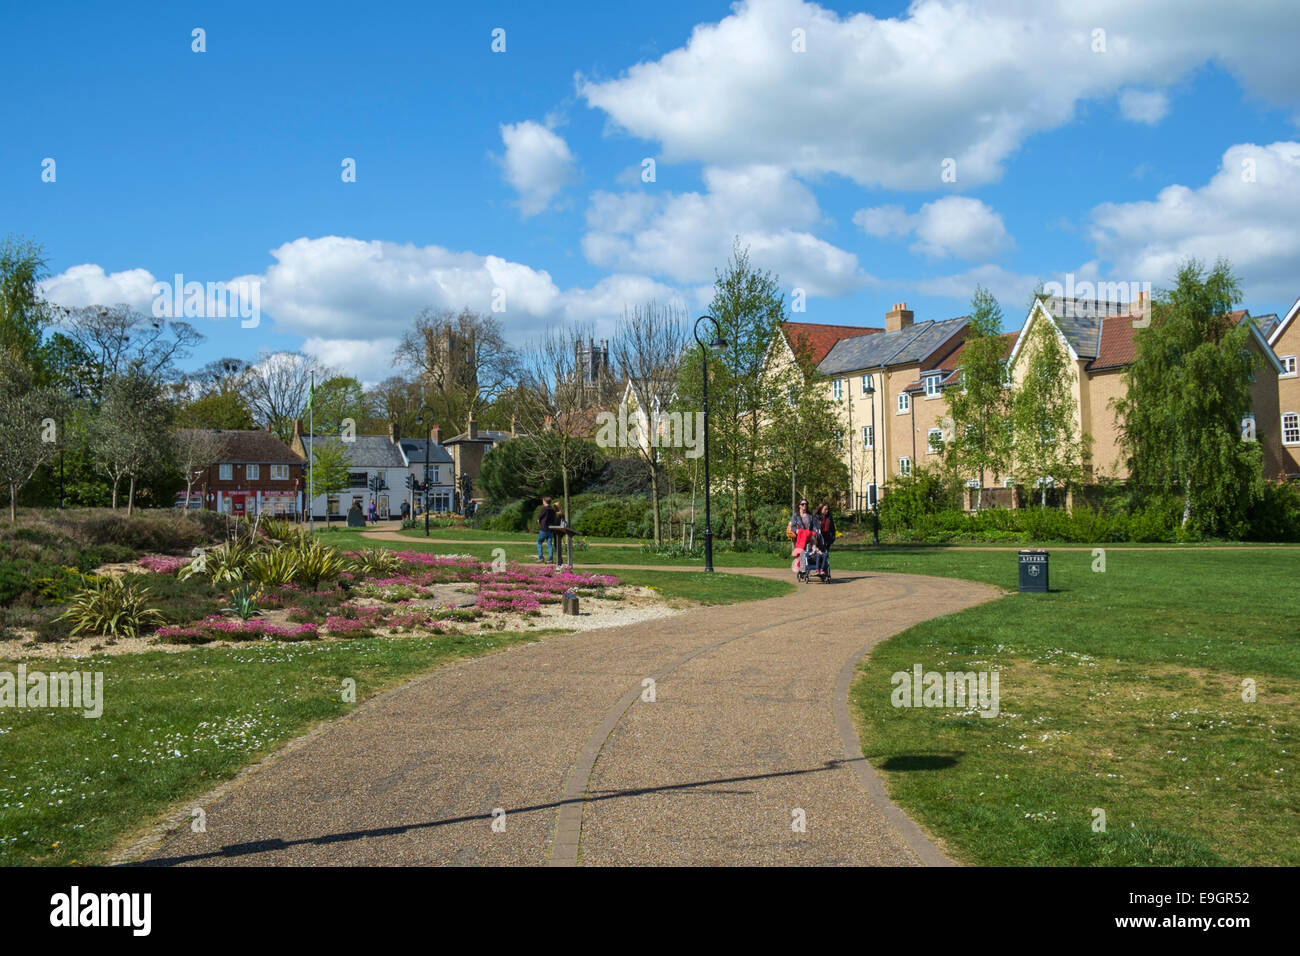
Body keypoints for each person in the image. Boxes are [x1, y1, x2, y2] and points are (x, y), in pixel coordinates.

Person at [786, 498, 827, 578]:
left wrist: (815, 531)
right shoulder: (795, 515)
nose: (805, 505)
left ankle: (818, 568)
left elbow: (814, 526)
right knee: (801, 553)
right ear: (799, 506)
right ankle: (802, 571)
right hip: (799, 538)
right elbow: (793, 527)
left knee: (810, 552)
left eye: (806, 504)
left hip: (809, 537)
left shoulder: (810, 516)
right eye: (803, 504)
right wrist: (798, 531)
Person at [816, 502, 836, 581]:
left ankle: (824, 572)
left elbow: (833, 529)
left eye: (828, 509)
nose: (827, 511)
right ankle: (821, 571)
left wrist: (832, 538)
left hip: (827, 540)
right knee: (819, 555)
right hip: (818, 540)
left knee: (825, 555)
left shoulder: (829, 517)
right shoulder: (816, 518)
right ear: (821, 510)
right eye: (825, 509)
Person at [537, 497, 555, 563]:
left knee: (539, 543)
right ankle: (550, 559)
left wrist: (539, 522)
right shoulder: (552, 510)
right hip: (551, 529)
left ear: (544, 501)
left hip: (543, 529)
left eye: (543, 501)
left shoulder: (544, 509)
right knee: (549, 544)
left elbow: (539, 518)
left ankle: (541, 558)